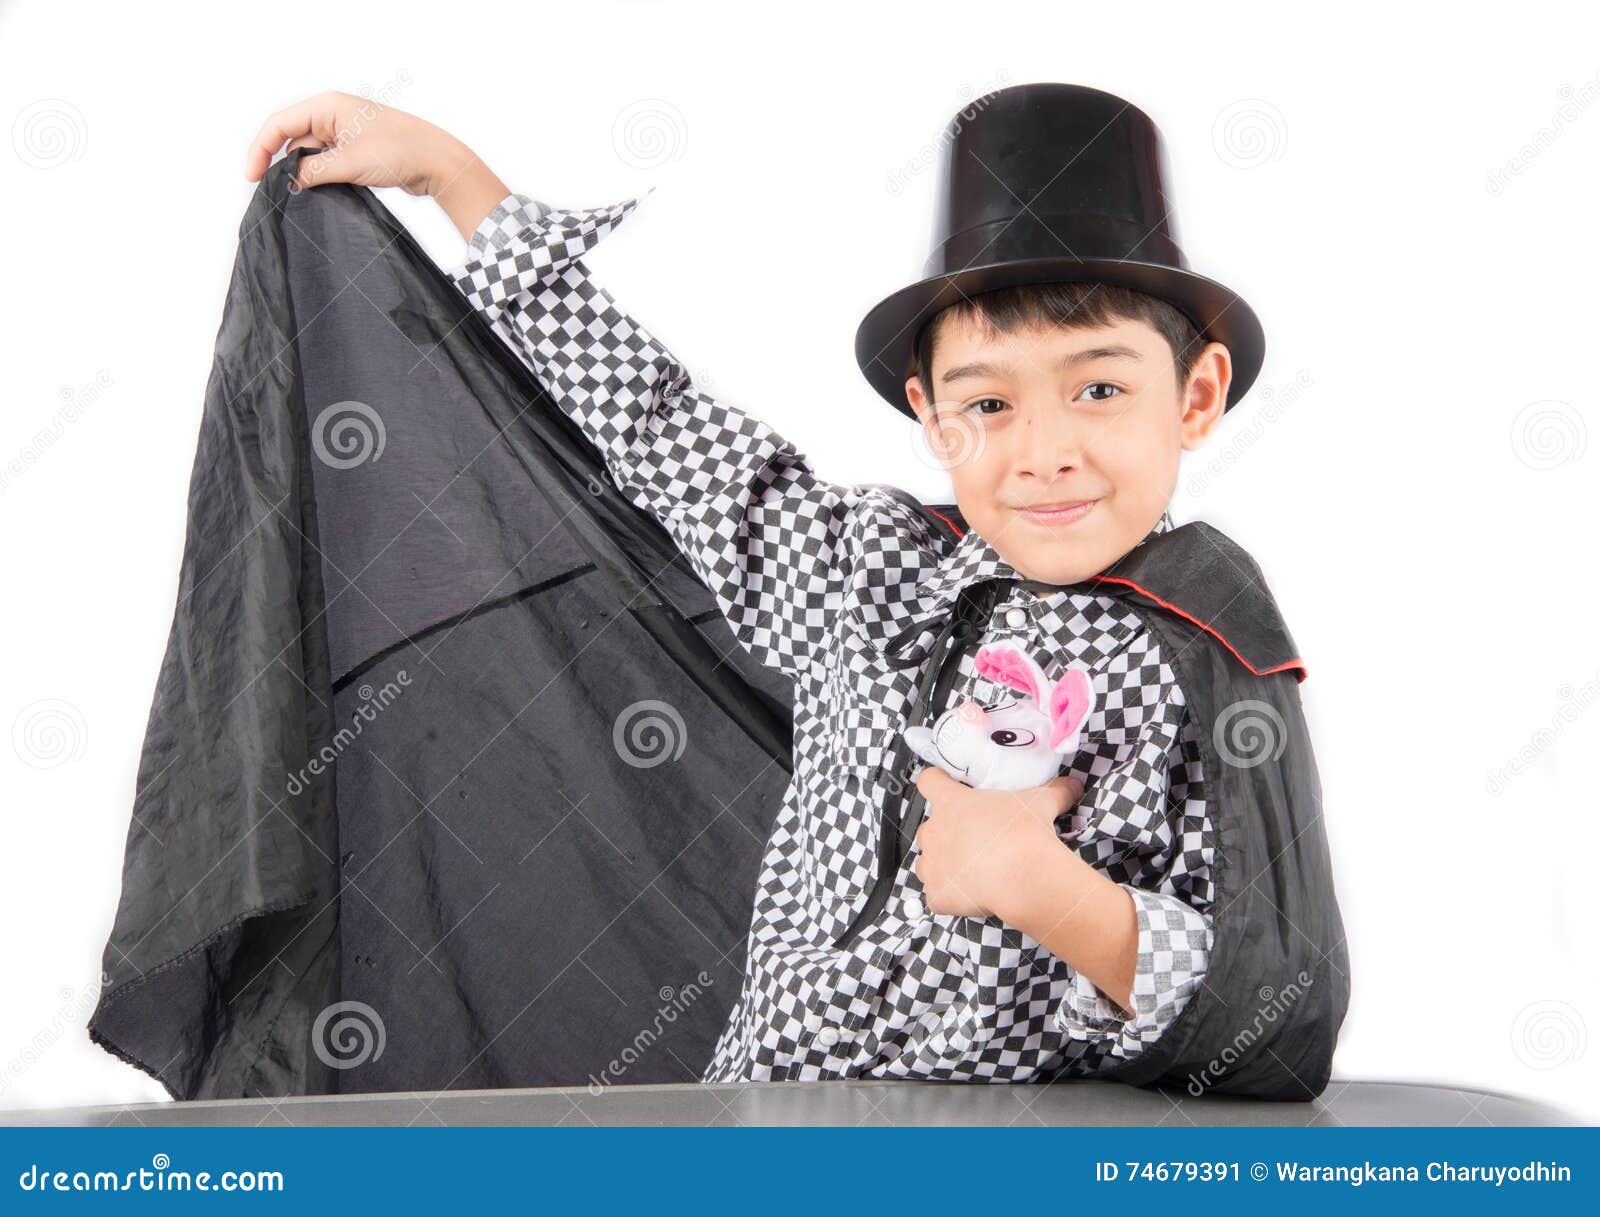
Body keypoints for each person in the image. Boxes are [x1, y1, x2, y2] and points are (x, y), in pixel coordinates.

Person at [242, 84, 1343, 1090]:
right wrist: (458, 185)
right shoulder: (860, 569)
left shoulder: (1211, 637)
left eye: (1098, 386)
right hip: (762, 1129)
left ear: (1195, 396)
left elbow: (1281, 1008)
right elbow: (664, 427)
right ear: (929, 414)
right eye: (990, 404)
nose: (1043, 451)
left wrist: (1058, 897)